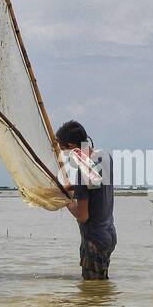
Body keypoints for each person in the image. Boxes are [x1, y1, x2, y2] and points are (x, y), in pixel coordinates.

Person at [55, 120, 115, 280]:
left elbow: (82, 215)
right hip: (108, 235)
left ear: (72, 146)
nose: (64, 156)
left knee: (92, 296)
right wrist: (71, 187)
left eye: (63, 150)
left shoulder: (83, 171)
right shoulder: (104, 157)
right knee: (100, 290)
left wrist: (66, 200)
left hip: (94, 242)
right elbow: (96, 184)